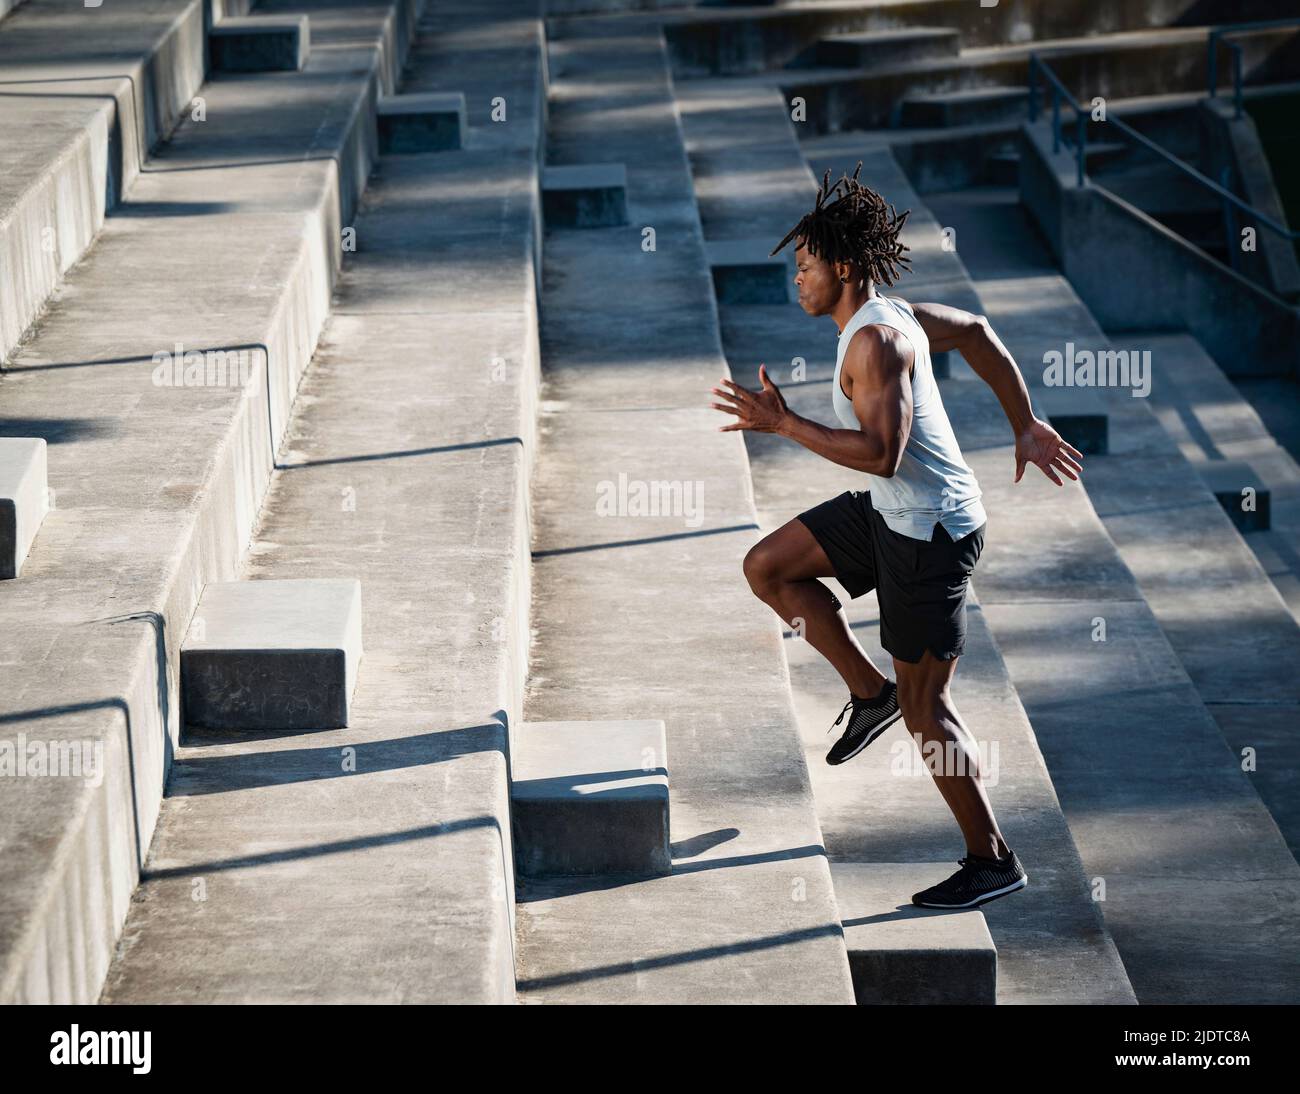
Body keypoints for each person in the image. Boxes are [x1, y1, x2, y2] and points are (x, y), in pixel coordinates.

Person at [708, 163, 1083, 909]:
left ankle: (991, 857)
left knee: (929, 710)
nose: (798, 281)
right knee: (768, 568)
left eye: (806, 268)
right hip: (893, 513)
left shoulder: (876, 344)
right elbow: (976, 332)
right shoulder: (892, 316)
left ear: (842, 268)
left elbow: (882, 451)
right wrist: (1025, 422)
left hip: (931, 536)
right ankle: (866, 691)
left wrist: (782, 423)